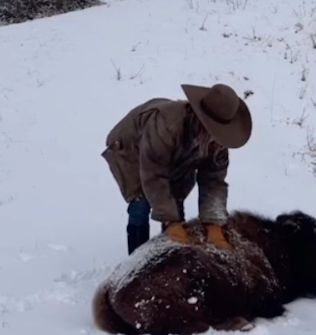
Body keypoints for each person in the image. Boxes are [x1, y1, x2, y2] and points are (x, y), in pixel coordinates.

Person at [101, 83, 252, 254]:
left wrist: (214, 224)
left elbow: (214, 181)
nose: (216, 138)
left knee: (176, 204)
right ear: (201, 119)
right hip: (132, 150)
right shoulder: (166, 125)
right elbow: (154, 175)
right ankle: (136, 260)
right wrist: (171, 222)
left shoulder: (217, 143)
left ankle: (168, 256)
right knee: (141, 204)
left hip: (177, 157)